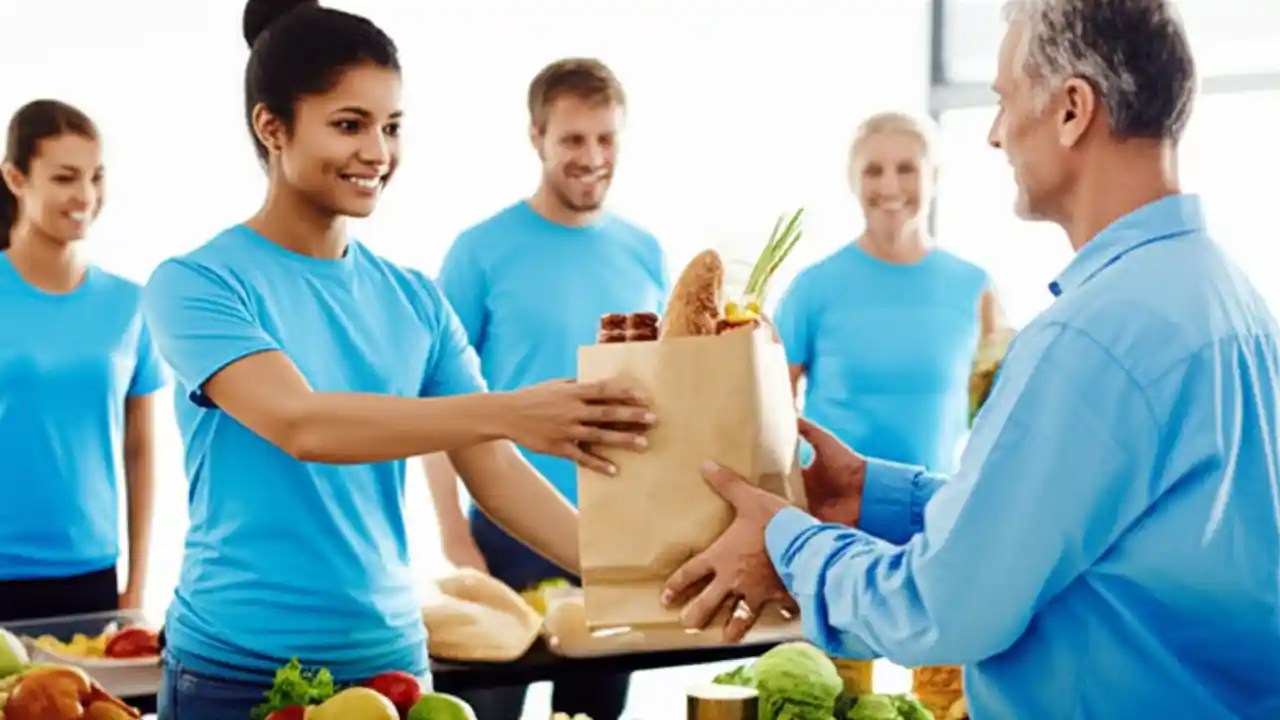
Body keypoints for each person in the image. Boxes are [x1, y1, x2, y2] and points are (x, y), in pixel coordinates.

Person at [661, 1, 1280, 717]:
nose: (993, 135)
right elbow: (1090, 530)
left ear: (1073, 109)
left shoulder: (1088, 339)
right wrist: (882, 498)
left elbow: (942, 608)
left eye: (1003, 100)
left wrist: (788, 549)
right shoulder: (1228, 296)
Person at [141, 4, 653, 719]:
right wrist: (511, 409)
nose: (378, 152)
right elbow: (302, 425)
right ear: (272, 126)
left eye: (392, 126)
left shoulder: (413, 299)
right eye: (349, 125)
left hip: (393, 667)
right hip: (235, 673)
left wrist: (652, 574)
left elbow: (496, 473)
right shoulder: (198, 283)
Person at [423, 57, 667, 720]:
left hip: (616, 535)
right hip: (506, 532)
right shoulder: (480, 252)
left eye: (605, 138)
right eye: (572, 139)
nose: (591, 157)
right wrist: (456, 540)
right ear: (537, 137)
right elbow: (438, 409)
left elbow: (664, 397)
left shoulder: (645, 252)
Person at [0, 99, 165, 622]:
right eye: (65, 177)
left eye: (96, 176)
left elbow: (140, 450)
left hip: (92, 573)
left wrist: (136, 585)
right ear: (16, 178)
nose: (86, 196)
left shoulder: (130, 304)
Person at [776, 111, 1003, 474]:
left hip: (934, 511)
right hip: (830, 516)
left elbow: (998, 416)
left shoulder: (976, 288)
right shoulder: (813, 287)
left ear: (936, 178)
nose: (890, 187)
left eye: (907, 168)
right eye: (873, 171)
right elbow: (770, 412)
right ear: (852, 181)